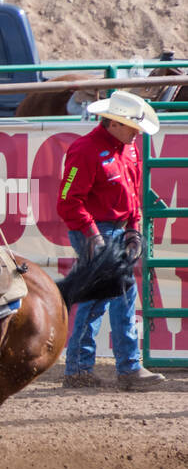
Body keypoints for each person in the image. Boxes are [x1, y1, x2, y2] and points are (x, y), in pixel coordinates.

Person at [57, 90, 165, 390]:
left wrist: (133, 227)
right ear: (114, 123)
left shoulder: (128, 148)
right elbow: (68, 203)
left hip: (116, 229)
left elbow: (132, 192)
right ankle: (118, 368)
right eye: (132, 126)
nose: (137, 132)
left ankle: (86, 367)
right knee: (109, 295)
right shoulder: (85, 150)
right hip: (95, 230)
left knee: (111, 296)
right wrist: (94, 236)